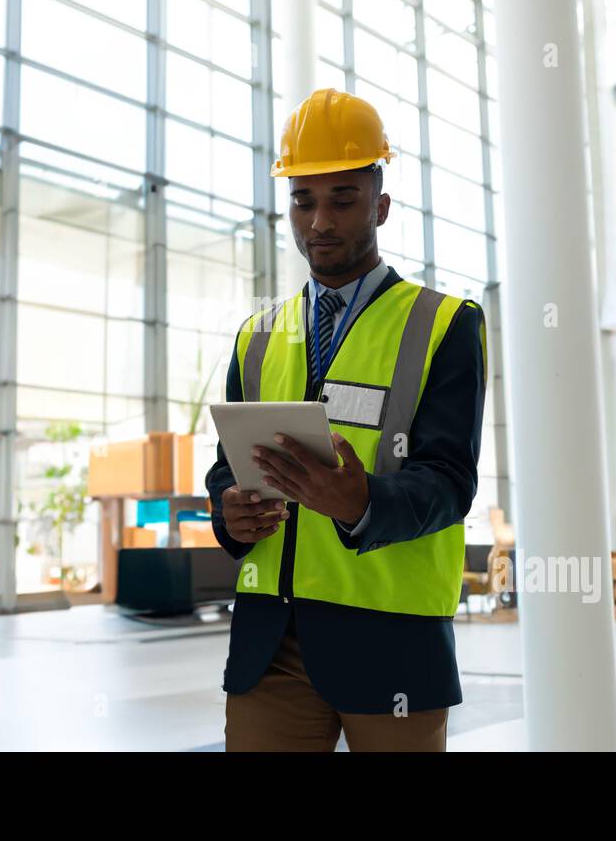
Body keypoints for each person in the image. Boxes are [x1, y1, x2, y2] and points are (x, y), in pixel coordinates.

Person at [205, 87, 488, 752]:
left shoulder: (444, 324)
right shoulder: (257, 335)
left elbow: (449, 481)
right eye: (303, 201)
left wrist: (361, 502)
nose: (319, 222)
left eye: (342, 199)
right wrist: (230, 513)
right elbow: (225, 468)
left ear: (380, 206)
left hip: (391, 640)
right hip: (269, 642)